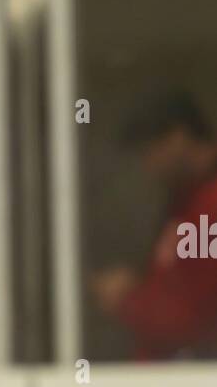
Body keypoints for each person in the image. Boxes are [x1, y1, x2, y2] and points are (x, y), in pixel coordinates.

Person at [91, 91, 217, 360]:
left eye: (150, 152)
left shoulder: (210, 205)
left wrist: (125, 300)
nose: (148, 166)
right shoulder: (185, 202)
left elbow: (198, 317)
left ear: (178, 138)